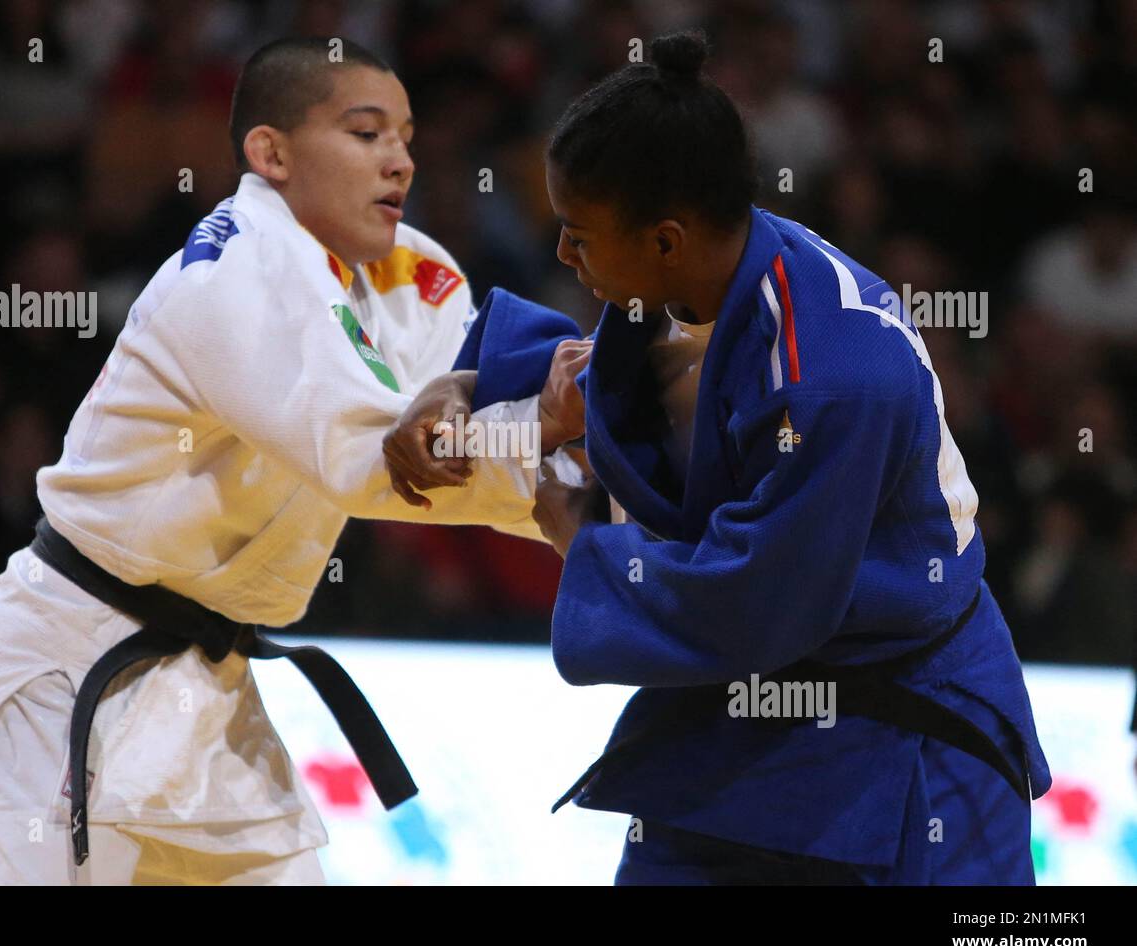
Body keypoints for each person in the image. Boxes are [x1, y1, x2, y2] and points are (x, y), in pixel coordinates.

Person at [0, 36, 578, 886]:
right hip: (65, 671)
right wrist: (550, 447)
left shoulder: (417, 279)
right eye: (366, 133)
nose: (400, 161)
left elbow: (482, 438)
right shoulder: (237, 268)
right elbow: (378, 459)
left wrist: (605, 494)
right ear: (270, 153)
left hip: (211, 687)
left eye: (407, 137)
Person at [416, 31, 1052, 884]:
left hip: (905, 735)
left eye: (578, 236)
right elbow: (593, 373)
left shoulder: (833, 373)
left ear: (667, 238)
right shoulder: (685, 287)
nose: (563, 256)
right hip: (748, 702)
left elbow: (758, 599)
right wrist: (462, 385)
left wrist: (582, 539)